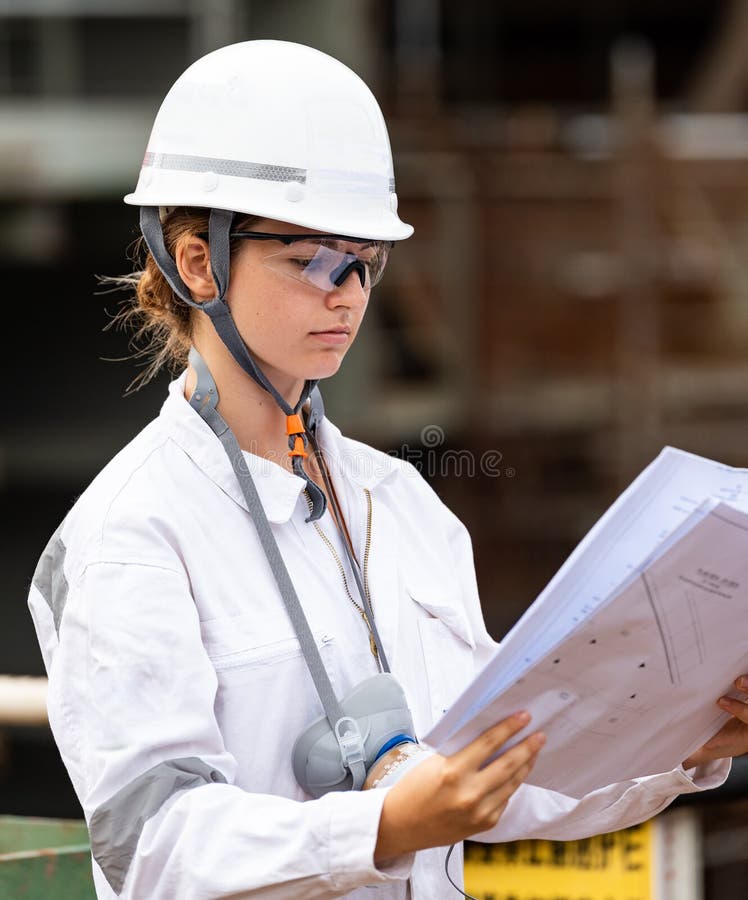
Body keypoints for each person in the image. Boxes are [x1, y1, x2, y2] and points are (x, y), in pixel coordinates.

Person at [27, 39, 748, 900]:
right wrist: (390, 826)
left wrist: (679, 743)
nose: (350, 294)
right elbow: (153, 848)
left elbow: (508, 776)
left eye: (366, 262)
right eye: (313, 261)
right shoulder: (129, 536)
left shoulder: (399, 503)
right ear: (196, 262)